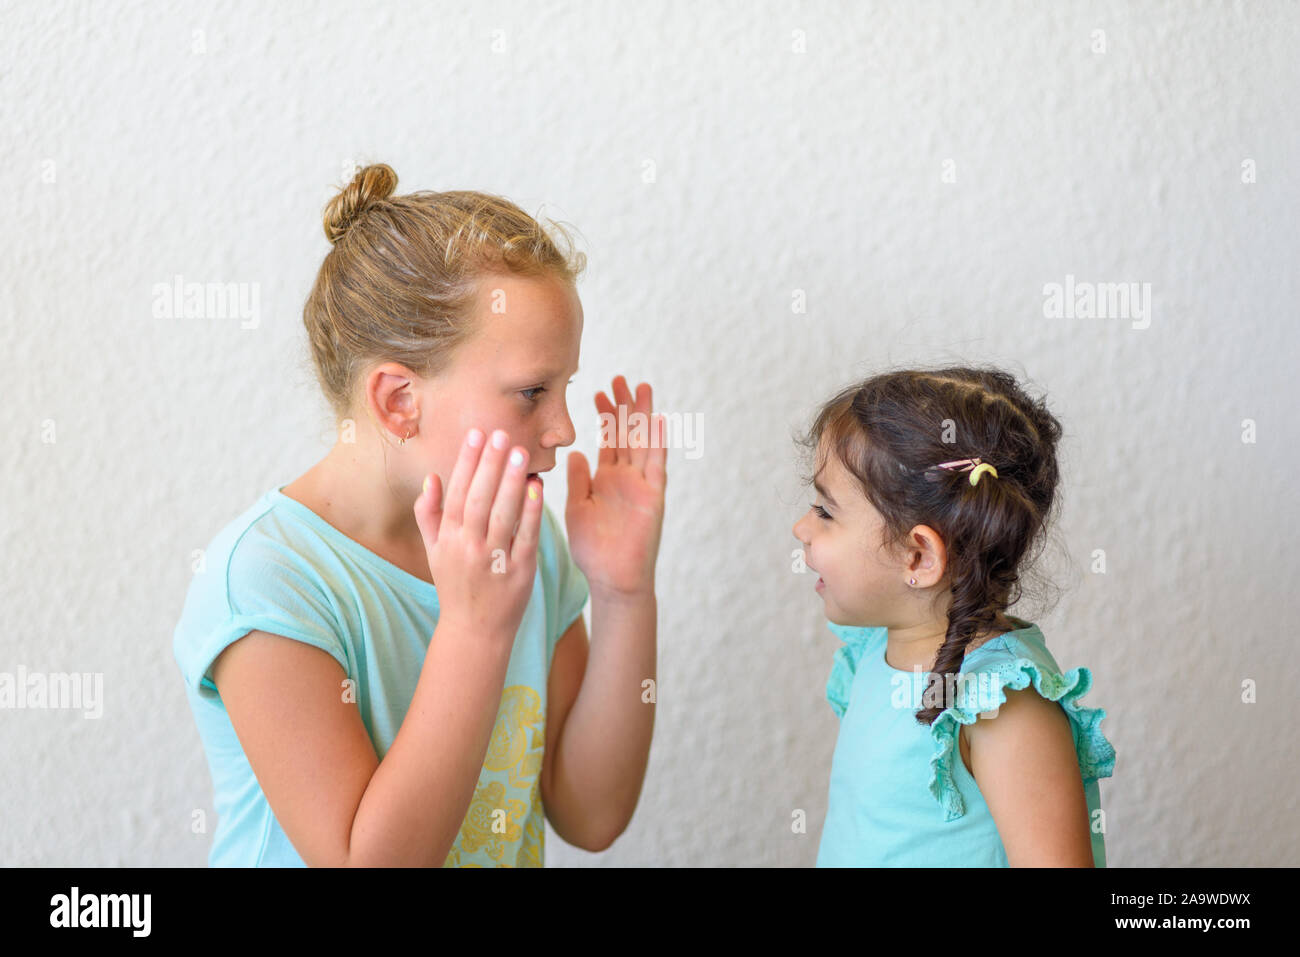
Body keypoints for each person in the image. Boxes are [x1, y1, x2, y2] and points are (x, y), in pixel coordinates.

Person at [173, 163, 666, 866]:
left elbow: (591, 813)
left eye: (565, 387)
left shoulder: (519, 537)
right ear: (398, 400)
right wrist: (474, 626)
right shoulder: (268, 581)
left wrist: (623, 592)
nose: (564, 428)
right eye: (531, 391)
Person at [792, 366, 1116, 866]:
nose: (801, 528)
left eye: (825, 511)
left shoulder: (1002, 707)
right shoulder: (875, 652)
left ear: (918, 557)